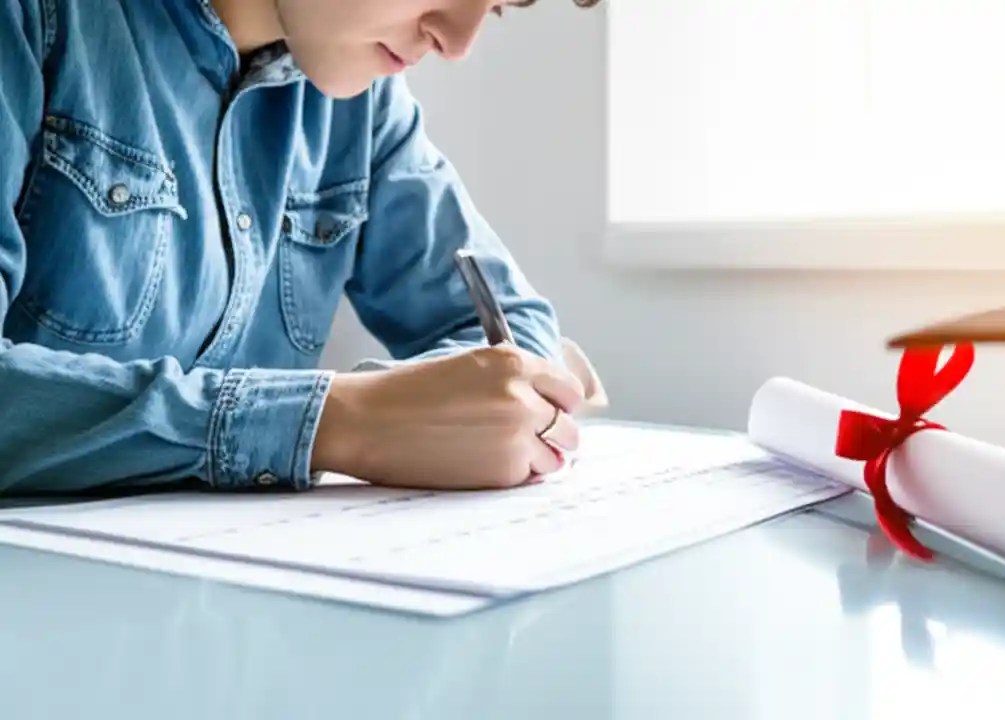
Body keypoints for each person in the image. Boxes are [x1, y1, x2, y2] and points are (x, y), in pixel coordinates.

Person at [0, 0, 606, 495]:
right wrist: (336, 420)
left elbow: (516, 330)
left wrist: (422, 410)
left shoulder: (362, 106)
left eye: (496, 7)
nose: (456, 42)